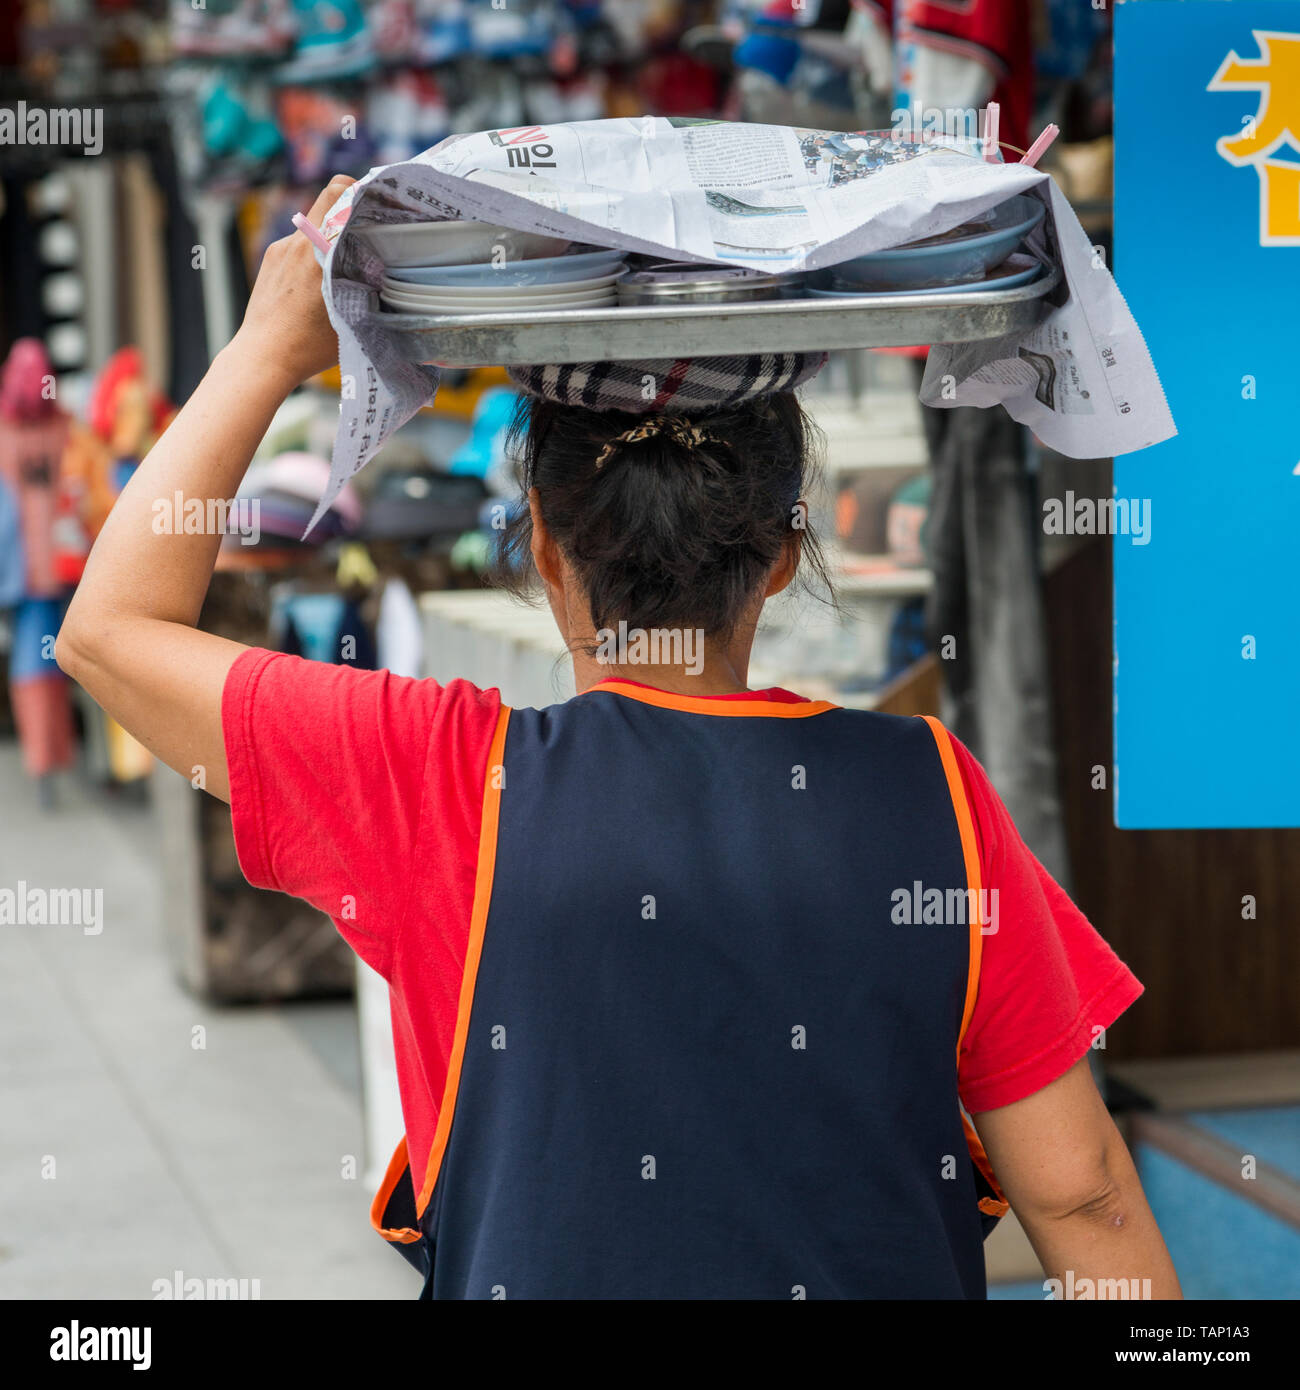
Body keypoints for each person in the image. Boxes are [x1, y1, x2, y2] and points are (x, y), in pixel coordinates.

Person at [56, 175, 1180, 1300]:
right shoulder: (932, 793)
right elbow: (1081, 1194)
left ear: (541, 546)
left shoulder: (441, 779)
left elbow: (108, 633)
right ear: (787, 552)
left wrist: (268, 349)